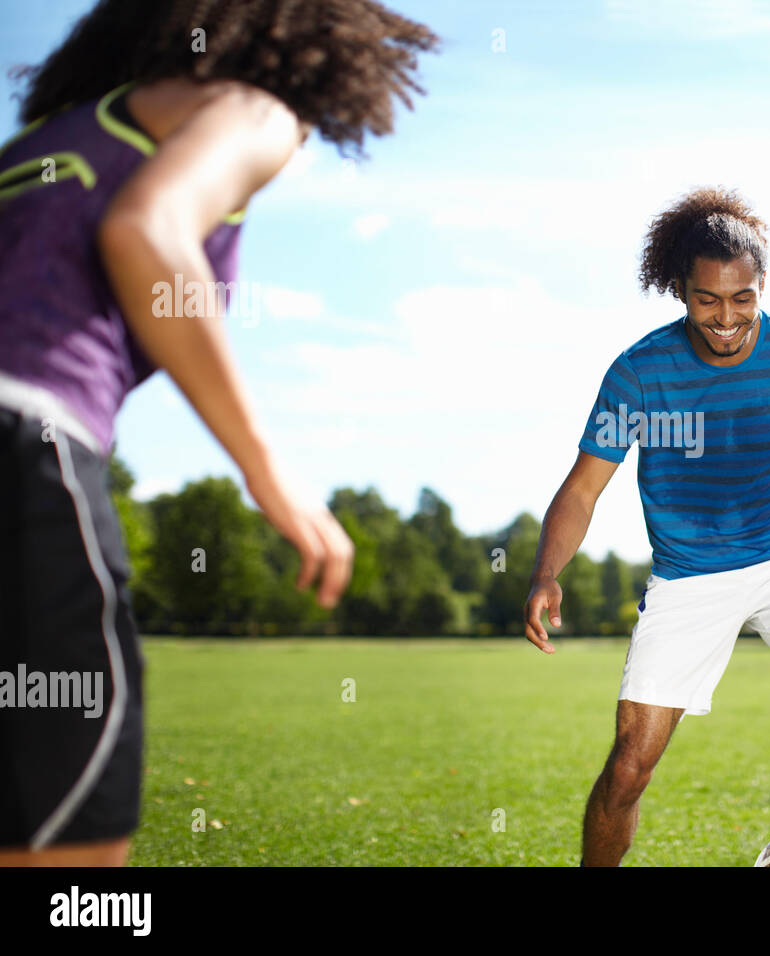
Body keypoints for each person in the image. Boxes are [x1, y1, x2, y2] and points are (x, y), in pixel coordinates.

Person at [0, 0, 438, 866]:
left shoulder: (44, 144)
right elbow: (149, 234)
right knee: (71, 871)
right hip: (25, 447)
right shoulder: (249, 107)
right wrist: (265, 467)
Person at [523, 187, 770, 867]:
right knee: (631, 764)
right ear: (679, 291)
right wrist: (547, 573)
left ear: (762, 288)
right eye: (707, 301)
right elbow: (582, 489)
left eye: (743, 299)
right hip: (689, 579)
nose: (727, 318)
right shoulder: (639, 373)